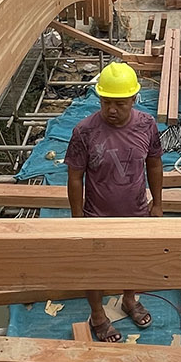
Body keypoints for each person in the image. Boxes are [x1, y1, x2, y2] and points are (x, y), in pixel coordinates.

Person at [66, 62, 163, 342]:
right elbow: (75, 177)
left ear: (133, 99)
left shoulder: (146, 125)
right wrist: (78, 220)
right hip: (97, 216)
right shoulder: (85, 132)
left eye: (120, 104)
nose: (111, 110)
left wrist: (156, 204)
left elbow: (154, 164)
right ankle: (98, 314)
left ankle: (129, 299)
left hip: (136, 212)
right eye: (106, 102)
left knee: (133, 261)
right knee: (93, 268)